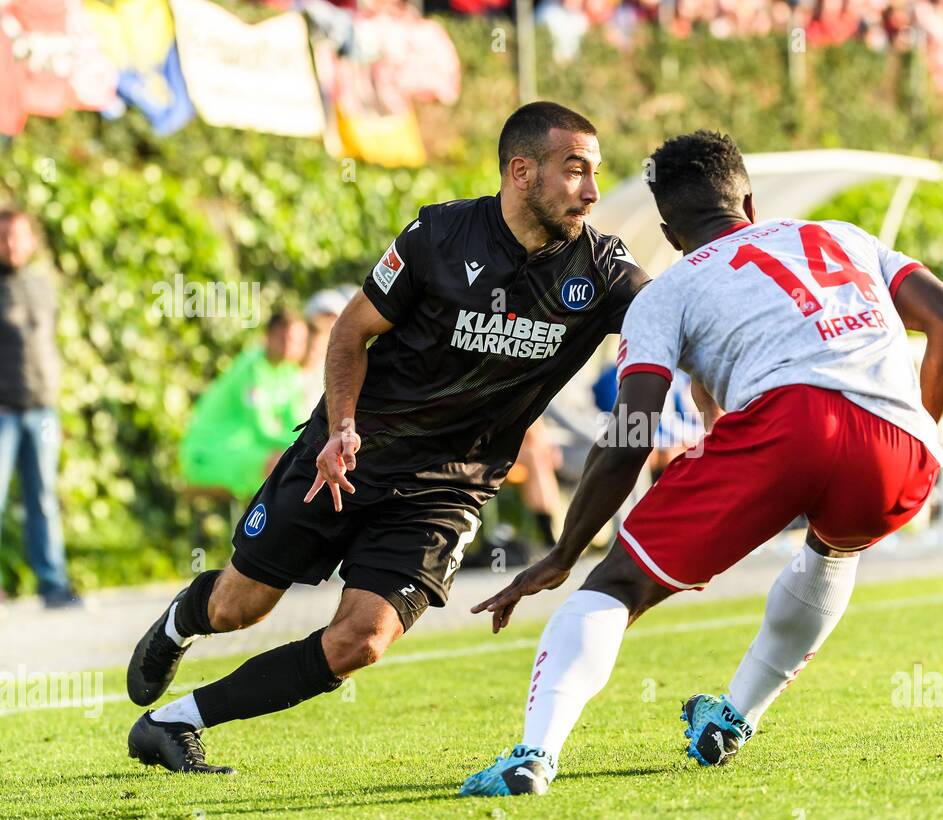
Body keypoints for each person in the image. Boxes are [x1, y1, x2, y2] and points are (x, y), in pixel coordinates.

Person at [124, 102, 649, 773]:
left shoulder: (600, 271)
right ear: (522, 171)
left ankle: (174, 723)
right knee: (237, 607)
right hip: (347, 455)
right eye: (575, 171)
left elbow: (671, 306)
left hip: (449, 488)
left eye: (594, 173)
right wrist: (340, 427)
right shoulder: (439, 236)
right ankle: (178, 624)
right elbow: (350, 332)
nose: (592, 191)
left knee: (361, 643)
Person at [459, 130, 943, 796]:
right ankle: (733, 718)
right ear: (749, 200)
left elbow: (634, 429)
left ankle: (534, 756)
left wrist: (567, 550)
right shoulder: (842, 235)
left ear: (671, 235)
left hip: (789, 424)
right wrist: (919, 431)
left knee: (616, 586)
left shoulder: (667, 292)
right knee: (832, 552)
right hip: (900, 447)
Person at [0, 208, 81, 610]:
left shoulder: (43, 285)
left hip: (42, 410)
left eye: (17, 236)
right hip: (2, 411)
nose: (11, 245)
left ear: (31, 240)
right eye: (3, 238)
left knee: (44, 499)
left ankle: (53, 586)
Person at [178, 310, 309, 498]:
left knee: (297, 461)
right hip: (207, 455)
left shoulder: (290, 372)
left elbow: (296, 424)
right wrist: (305, 445)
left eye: (298, 341)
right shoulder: (251, 370)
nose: (290, 345)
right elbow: (261, 432)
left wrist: (311, 442)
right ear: (269, 336)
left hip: (244, 452)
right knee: (281, 462)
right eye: (284, 338)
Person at [299, 287, 352, 418]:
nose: (329, 325)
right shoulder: (286, 364)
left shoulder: (341, 369)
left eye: (333, 319)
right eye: (324, 317)